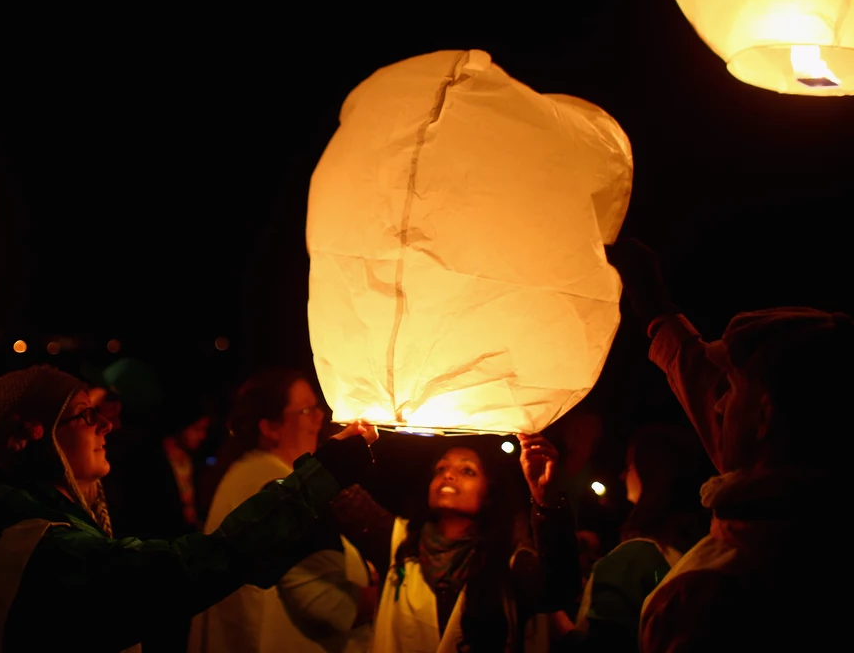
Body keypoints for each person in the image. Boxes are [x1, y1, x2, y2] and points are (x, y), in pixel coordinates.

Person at [0, 365, 378, 653]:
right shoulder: (37, 546)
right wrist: (323, 473)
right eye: (83, 415)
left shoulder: (41, 526)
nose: (105, 424)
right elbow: (185, 570)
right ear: (39, 436)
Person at [606, 238, 849, 652]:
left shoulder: (715, 593)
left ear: (764, 417)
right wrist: (656, 309)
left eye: (732, 390)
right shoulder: (795, 508)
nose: (716, 405)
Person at [330, 434, 580, 652]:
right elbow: (334, 488)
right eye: (440, 469)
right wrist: (343, 444)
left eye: (467, 471)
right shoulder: (396, 539)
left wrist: (547, 501)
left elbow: (559, 590)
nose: (448, 475)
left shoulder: (510, 562)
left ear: (488, 493)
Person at [189, 368, 376, 653]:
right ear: (270, 427)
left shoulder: (247, 472)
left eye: (317, 408)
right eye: (307, 411)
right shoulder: (276, 488)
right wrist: (392, 591)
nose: (320, 418)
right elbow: (329, 606)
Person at [551, 423, 709, 652]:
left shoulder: (632, 560)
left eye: (630, 466)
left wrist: (555, 618)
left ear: (652, 472)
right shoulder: (704, 550)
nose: (623, 474)